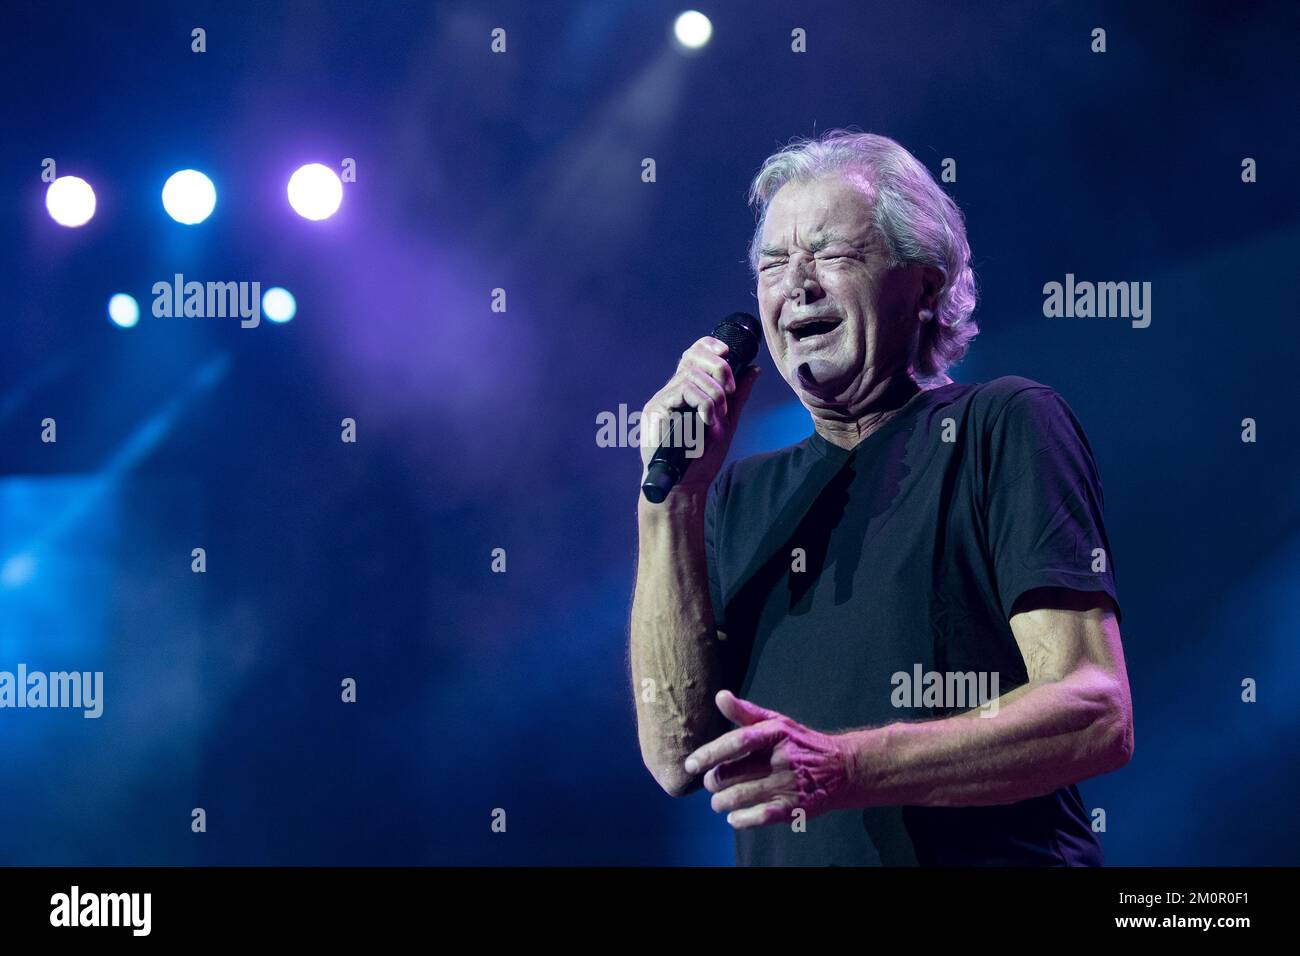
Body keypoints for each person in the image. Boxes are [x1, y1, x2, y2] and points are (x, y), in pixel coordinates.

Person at [628, 130, 1133, 866]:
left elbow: (1094, 711)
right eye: (773, 264)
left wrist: (848, 768)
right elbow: (677, 757)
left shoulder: (1002, 426)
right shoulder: (735, 495)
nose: (797, 285)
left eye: (831, 254)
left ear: (925, 288)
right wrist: (671, 500)